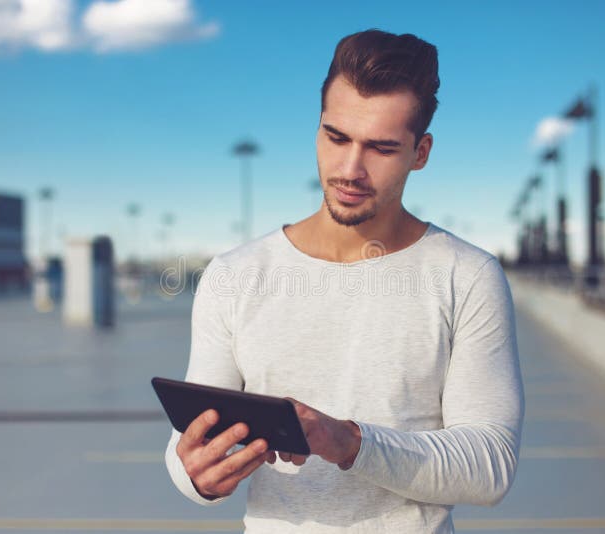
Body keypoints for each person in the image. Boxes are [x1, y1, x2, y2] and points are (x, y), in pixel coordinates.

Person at [164, 29, 524, 533]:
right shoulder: (235, 275)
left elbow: (489, 465)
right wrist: (198, 476)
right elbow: (186, 452)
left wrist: (351, 443)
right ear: (317, 129)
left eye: (380, 147)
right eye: (336, 138)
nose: (350, 168)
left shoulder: (467, 276)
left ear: (420, 152)